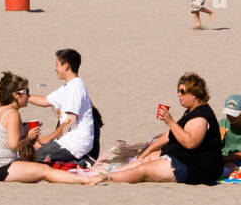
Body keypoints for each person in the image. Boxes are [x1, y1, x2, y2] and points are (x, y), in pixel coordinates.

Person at [89, 73, 223, 185]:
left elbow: (190, 142)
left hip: (196, 167)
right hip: (183, 158)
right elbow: (170, 135)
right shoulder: (191, 111)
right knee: (144, 160)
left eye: (182, 91)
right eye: (178, 91)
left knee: (144, 171)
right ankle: (109, 174)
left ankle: (106, 179)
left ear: (194, 94)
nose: (179, 95)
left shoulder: (201, 117)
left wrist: (170, 121)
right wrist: (148, 150)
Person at [0, 73, 89, 184]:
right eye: (26, 92)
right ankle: (88, 180)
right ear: (15, 95)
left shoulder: (1, 109)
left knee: (35, 166)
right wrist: (28, 137)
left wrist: (25, 130)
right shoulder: (13, 114)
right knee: (44, 170)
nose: (29, 96)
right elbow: (13, 145)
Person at [26, 48, 95, 165]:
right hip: (66, 140)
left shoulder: (75, 87)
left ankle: (81, 162)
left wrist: (50, 137)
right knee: (34, 149)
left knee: (31, 159)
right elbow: (45, 101)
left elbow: (71, 120)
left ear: (66, 66)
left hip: (75, 143)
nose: (55, 68)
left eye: (57, 64)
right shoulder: (68, 87)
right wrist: (22, 95)